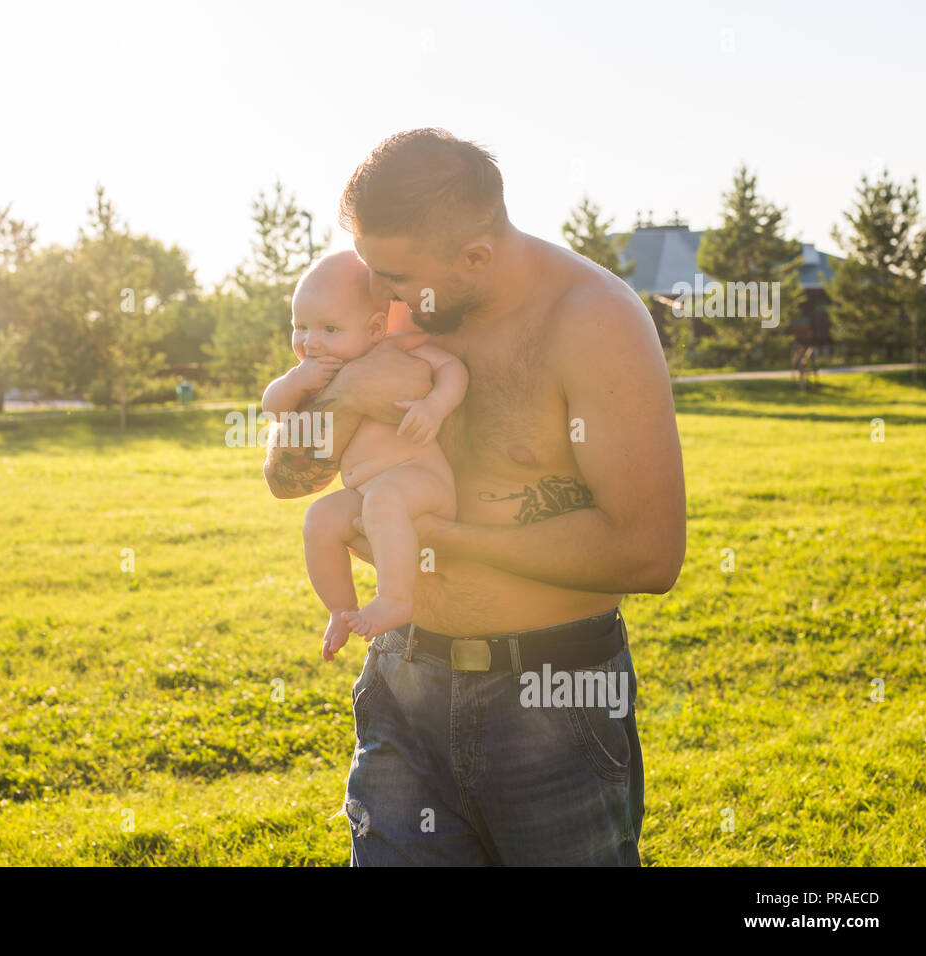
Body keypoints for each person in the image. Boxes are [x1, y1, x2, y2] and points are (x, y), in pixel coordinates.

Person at [262, 128, 686, 866]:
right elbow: (286, 478)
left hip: (550, 701)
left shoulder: (594, 320)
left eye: (393, 275)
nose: (380, 294)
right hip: (403, 682)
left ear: (475, 258)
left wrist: (443, 541)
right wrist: (348, 392)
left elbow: (648, 553)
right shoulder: (390, 307)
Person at [261, 250, 468, 661]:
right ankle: (340, 608)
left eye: (330, 329)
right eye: (300, 327)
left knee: (384, 499)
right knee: (320, 519)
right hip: (369, 491)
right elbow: (273, 407)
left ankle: (394, 599)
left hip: (421, 480)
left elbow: (451, 367)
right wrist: (297, 379)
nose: (311, 341)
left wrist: (435, 407)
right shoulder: (313, 377)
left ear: (375, 327)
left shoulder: (396, 348)